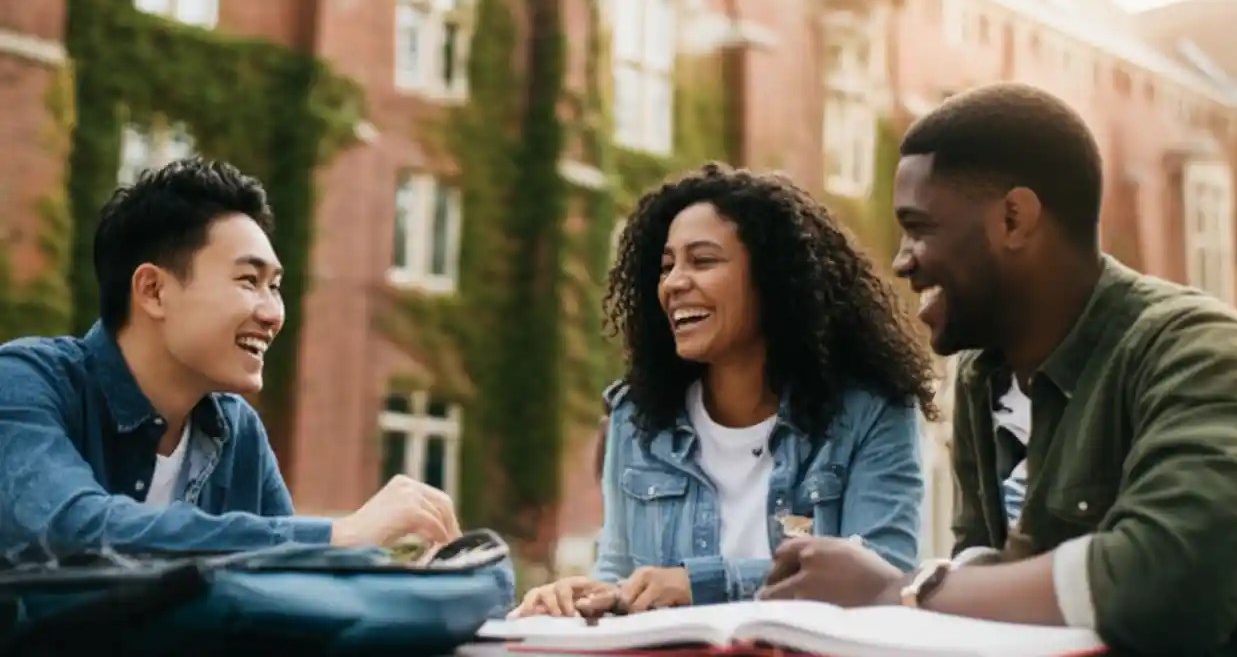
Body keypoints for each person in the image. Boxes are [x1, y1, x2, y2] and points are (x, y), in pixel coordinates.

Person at [758, 83, 1237, 656]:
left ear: (1013, 219)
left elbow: (1169, 583)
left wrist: (895, 588)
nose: (902, 259)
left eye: (920, 227)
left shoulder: (1196, 350)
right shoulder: (984, 375)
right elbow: (984, 596)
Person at [511, 163, 936, 617]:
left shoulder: (872, 412)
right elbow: (622, 572)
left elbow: (883, 575)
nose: (674, 283)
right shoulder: (636, 417)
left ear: (773, 279)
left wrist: (704, 584)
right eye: (667, 266)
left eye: (703, 260)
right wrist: (584, 598)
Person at [0, 157, 460, 560]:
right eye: (248, 281)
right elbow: (72, 529)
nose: (273, 313)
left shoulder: (235, 430)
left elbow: (294, 590)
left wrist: (479, 602)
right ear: (153, 290)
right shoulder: (25, 384)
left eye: (275, 287)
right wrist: (337, 534)